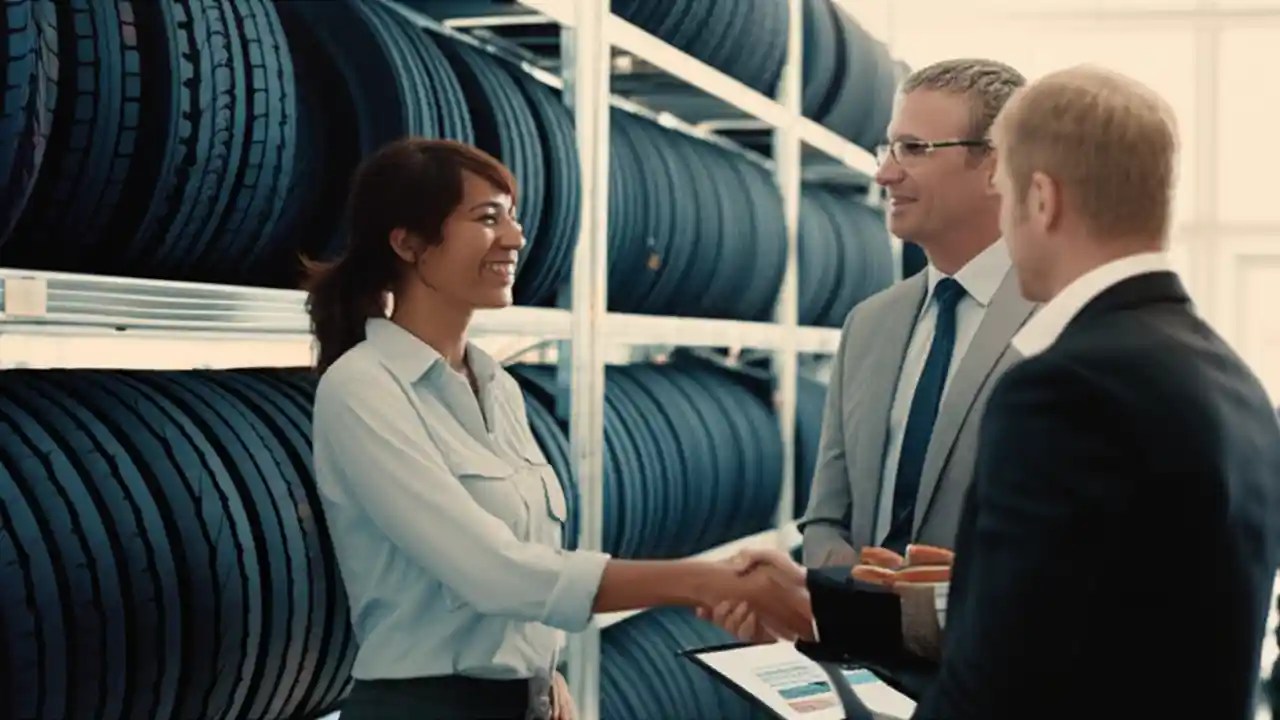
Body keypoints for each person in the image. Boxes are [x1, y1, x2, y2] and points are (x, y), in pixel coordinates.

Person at [711, 65, 1280, 720]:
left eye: (1009, 196)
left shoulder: (1064, 389)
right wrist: (828, 602)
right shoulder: (1235, 381)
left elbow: (1007, 674)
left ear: (1041, 200)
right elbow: (1081, 608)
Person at [304, 138, 810, 720]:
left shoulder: (497, 386)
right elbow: (493, 572)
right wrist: (705, 582)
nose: (516, 238)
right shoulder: (364, 389)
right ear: (409, 243)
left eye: (512, 217)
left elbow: (530, 562)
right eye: (487, 218)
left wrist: (542, 677)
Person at [798, 58, 1037, 572]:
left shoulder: (1065, 324)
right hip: (857, 644)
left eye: (914, 149)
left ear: (999, 165)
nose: (884, 172)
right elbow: (824, 519)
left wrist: (936, 605)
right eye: (889, 148)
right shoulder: (868, 324)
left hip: (992, 649)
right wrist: (850, 579)